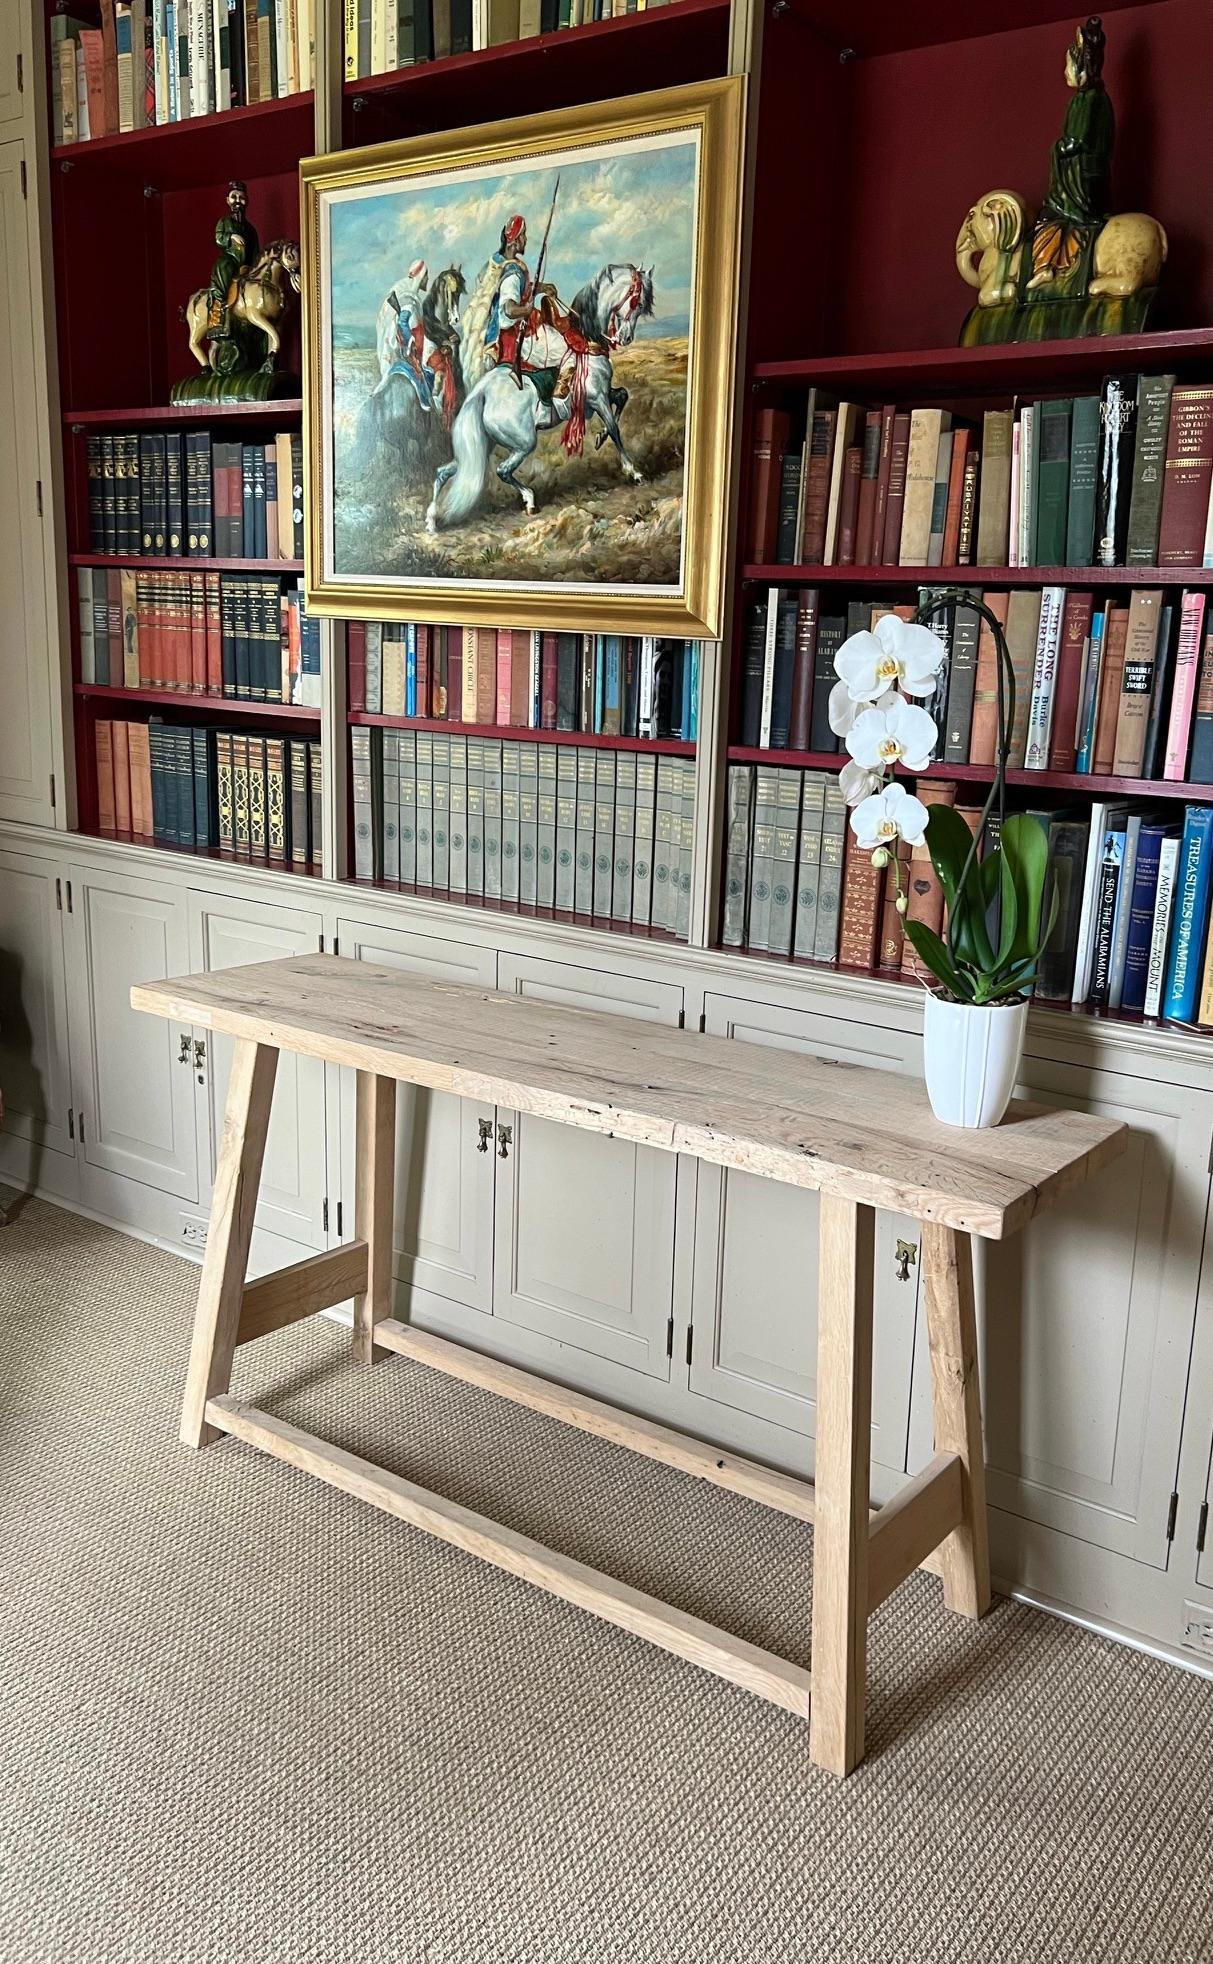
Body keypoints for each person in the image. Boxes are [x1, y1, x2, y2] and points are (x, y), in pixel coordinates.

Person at [1026, 15, 1114, 291]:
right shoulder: (1093, 99)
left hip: (1081, 180)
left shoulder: (1089, 100)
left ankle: (1045, 265)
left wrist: (1059, 146)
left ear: (1083, 68)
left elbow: (1076, 141)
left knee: (1048, 217)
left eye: (1068, 66)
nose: (1065, 72)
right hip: (1083, 174)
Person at [207, 182, 259, 342]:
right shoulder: (224, 222)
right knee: (225, 270)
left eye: (242, 197)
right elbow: (218, 238)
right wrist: (230, 238)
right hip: (230, 260)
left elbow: (256, 250)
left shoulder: (251, 229)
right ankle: (219, 313)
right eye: (234, 197)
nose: (238, 200)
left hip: (247, 265)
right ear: (228, 200)